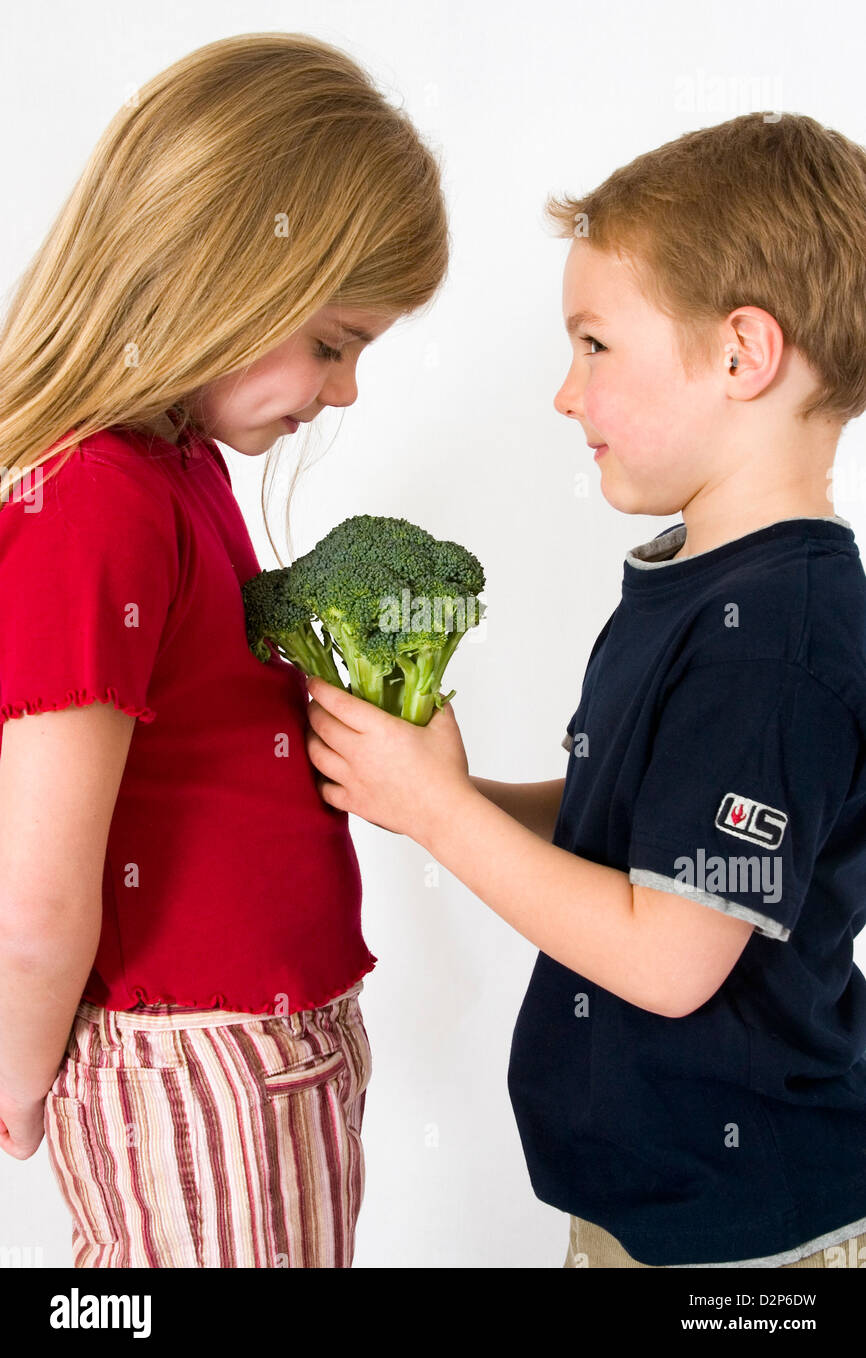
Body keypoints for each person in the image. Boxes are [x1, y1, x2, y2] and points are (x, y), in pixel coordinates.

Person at [305, 111, 866, 1268]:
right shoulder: (704, 584)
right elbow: (643, 832)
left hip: (748, 1240)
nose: (565, 395)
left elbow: (668, 957)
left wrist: (437, 816)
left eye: (594, 346)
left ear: (738, 354)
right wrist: (456, 788)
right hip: (655, 1214)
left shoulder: (772, 642)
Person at [0, 31, 448, 1268]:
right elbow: (36, 896)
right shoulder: (95, 498)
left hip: (256, 1047)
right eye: (331, 340)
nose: (346, 389)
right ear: (215, 273)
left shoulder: (177, 467)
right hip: (193, 1059)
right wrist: (21, 1077)